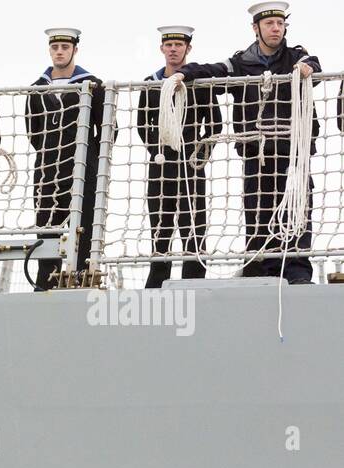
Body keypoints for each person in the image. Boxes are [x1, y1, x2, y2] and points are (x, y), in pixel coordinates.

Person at [174, 3, 321, 284]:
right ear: (256, 29)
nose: (276, 28)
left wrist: (305, 68)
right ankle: (263, 272)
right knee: (258, 212)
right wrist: (184, 73)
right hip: (258, 154)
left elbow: (314, 63)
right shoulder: (241, 63)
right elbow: (214, 70)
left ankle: (298, 273)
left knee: (298, 211)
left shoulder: (296, 57)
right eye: (269, 24)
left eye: (280, 23)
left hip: (293, 154)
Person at [136, 27, 222, 289]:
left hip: (191, 165)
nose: (173, 49)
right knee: (160, 227)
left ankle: (193, 281)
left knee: (194, 226)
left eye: (178, 44)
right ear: (162, 49)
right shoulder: (151, 83)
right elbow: (143, 124)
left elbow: (215, 125)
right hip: (161, 165)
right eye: (169, 44)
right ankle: (157, 280)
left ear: (188, 49)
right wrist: (157, 150)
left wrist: (200, 156)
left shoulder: (199, 84)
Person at [25, 28, 105, 291]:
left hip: (83, 169)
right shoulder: (37, 88)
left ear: (74, 50)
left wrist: (89, 159)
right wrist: (51, 152)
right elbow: (33, 131)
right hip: (48, 170)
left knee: (82, 227)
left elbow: (105, 130)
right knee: (47, 225)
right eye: (55, 47)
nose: (59, 52)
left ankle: (80, 279)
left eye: (65, 47)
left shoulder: (92, 84)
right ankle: (45, 282)